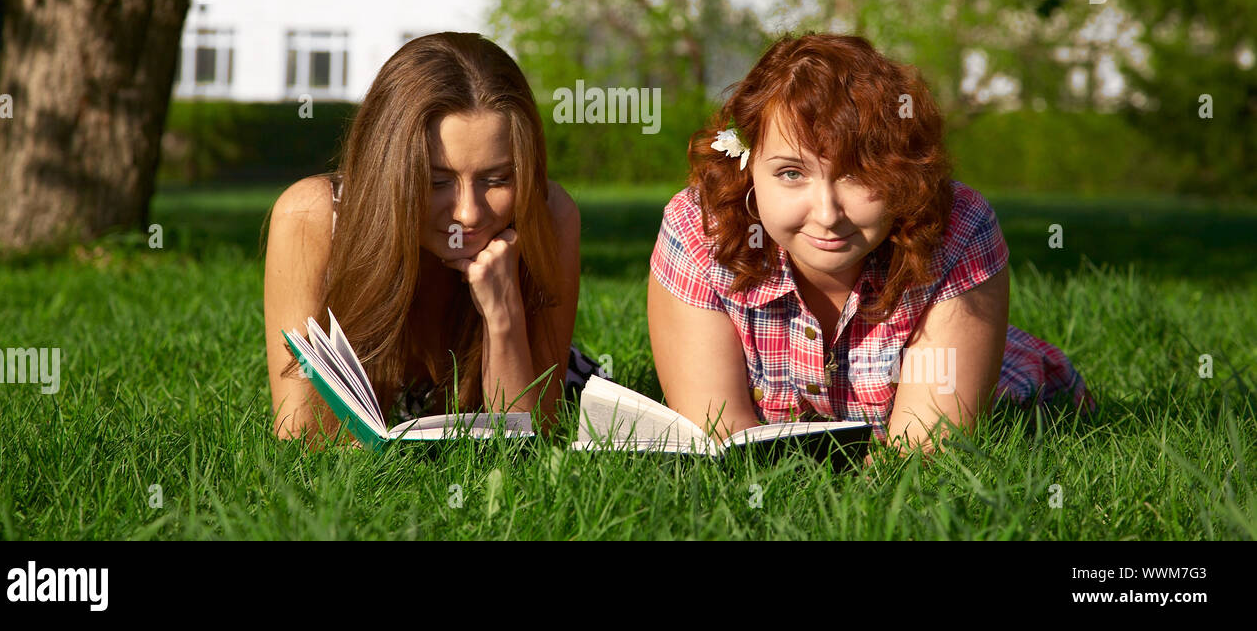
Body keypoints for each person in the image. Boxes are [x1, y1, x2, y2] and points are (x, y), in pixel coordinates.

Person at [647, 32, 1096, 464]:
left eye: (856, 174)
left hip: (1016, 401)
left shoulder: (958, 229)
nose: (827, 213)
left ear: (902, 172)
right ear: (747, 168)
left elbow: (923, 455)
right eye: (790, 173)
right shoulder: (699, 232)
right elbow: (723, 442)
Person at [263, 31, 605, 447]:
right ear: (389, 169)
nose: (468, 213)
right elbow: (300, 435)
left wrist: (503, 317)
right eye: (436, 181)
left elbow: (532, 441)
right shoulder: (311, 216)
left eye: (497, 179)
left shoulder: (549, 214)